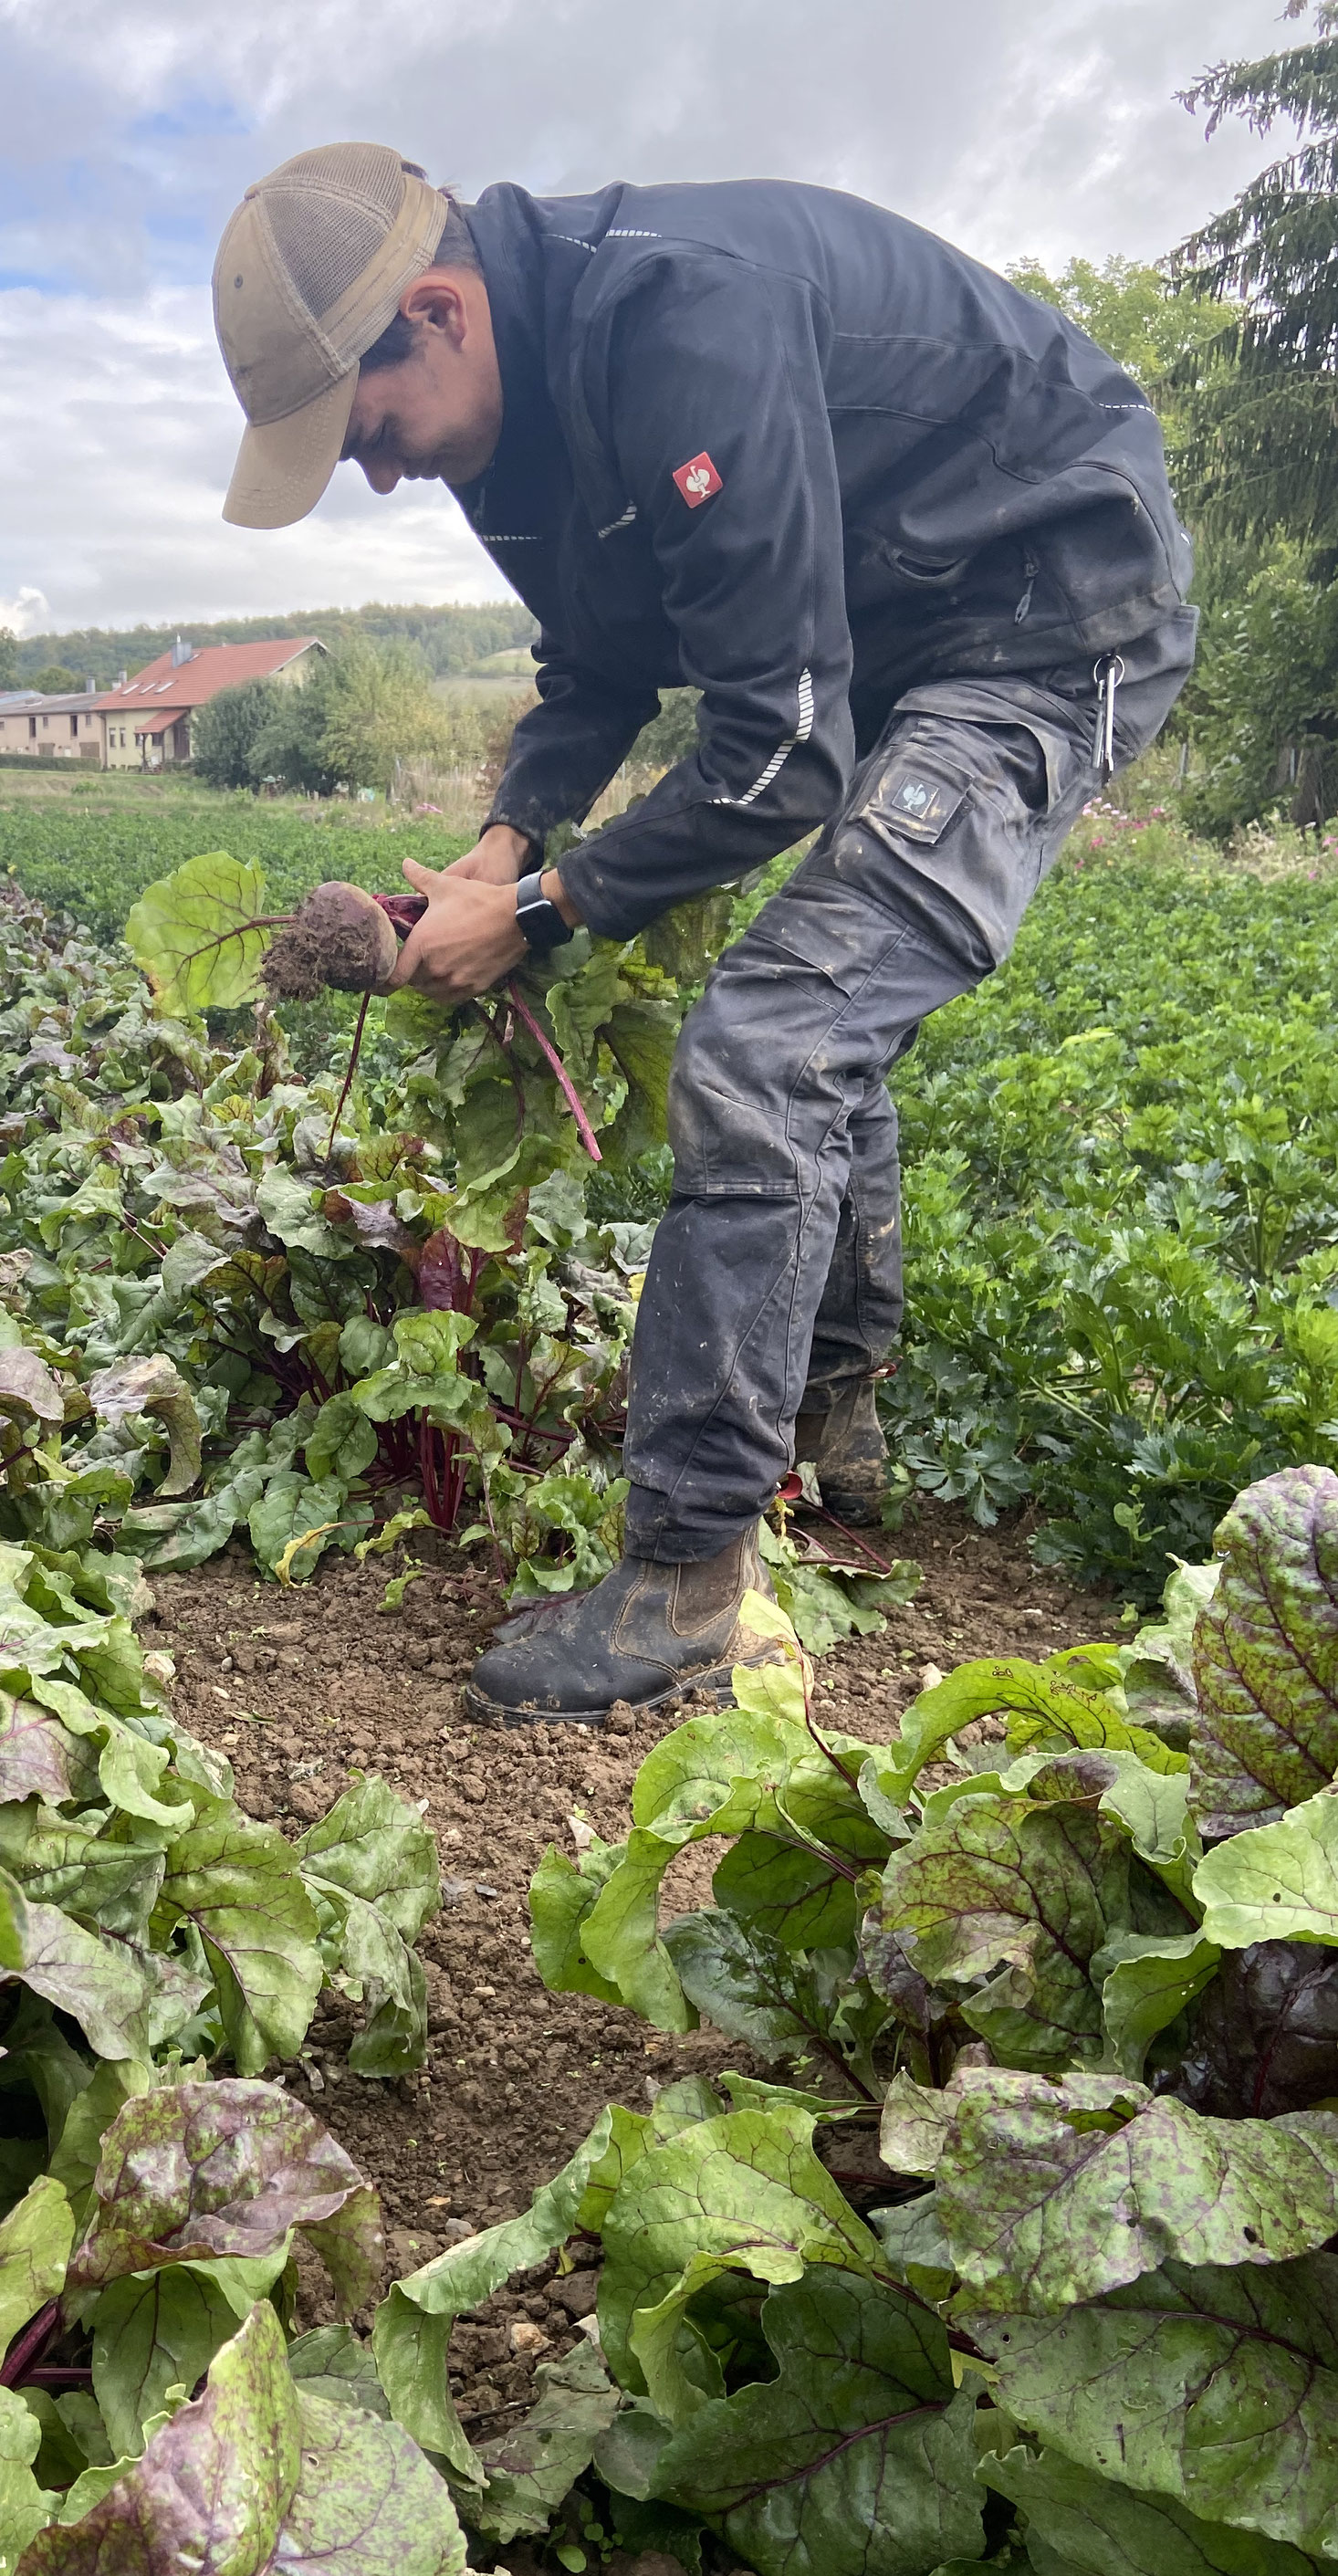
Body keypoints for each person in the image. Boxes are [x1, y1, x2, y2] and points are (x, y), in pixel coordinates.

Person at [211, 143, 1195, 1725]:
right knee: (821, 1017)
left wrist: (538, 915)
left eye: (365, 429)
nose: (375, 472)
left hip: (1041, 606)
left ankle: (682, 1578)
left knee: (775, 1032)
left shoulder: (681, 324)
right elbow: (593, 670)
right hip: (885, 635)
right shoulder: (508, 435)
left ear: (439, 313)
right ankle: (834, 1418)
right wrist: (499, 843)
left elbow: (779, 750)